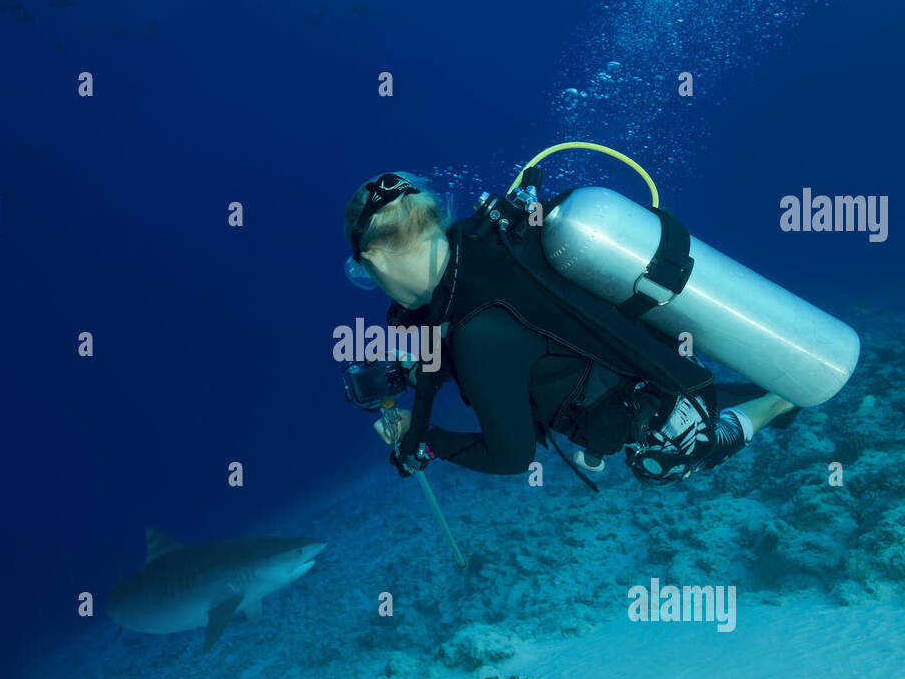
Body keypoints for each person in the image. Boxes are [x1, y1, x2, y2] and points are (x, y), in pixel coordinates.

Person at [342, 171, 798, 487]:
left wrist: (427, 439)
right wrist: (409, 373)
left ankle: (779, 401)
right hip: (654, 360)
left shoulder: (478, 334)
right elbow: (503, 335)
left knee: (660, 465)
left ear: (374, 260)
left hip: (659, 414)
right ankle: (745, 389)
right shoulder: (481, 240)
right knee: (697, 397)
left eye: (362, 274)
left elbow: (511, 458)